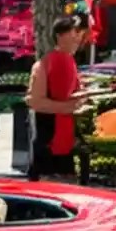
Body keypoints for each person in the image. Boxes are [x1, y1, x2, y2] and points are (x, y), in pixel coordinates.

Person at [26, 15, 87, 181]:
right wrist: (68, 107)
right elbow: (35, 102)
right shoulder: (45, 64)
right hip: (49, 139)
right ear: (60, 35)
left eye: (79, 31)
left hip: (65, 140)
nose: (78, 36)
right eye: (74, 31)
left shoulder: (69, 61)